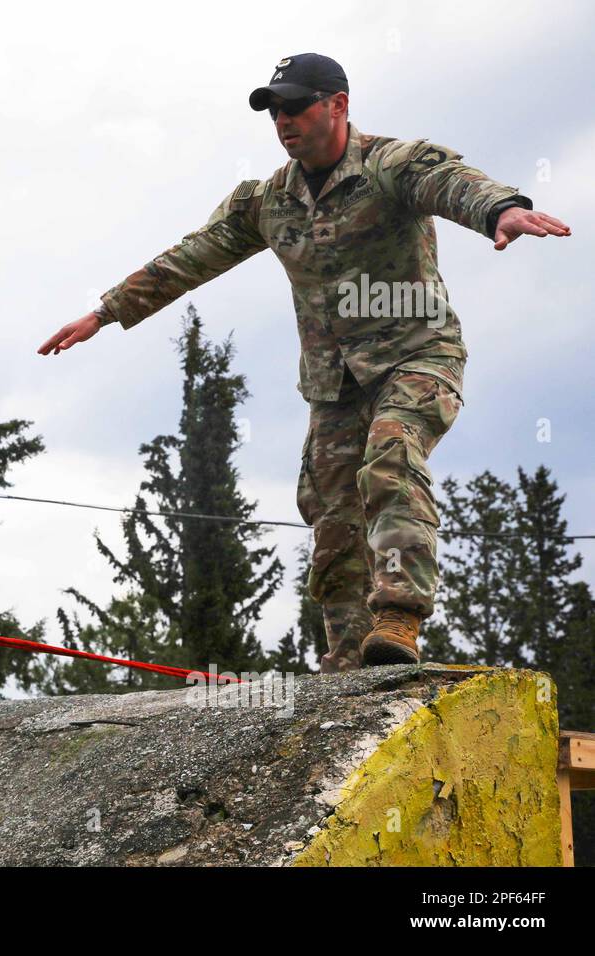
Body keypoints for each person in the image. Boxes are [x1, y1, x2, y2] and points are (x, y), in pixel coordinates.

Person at [37, 54, 571, 671]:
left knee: (391, 456)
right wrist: (105, 312)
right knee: (332, 515)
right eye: (274, 111)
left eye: (296, 107)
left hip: (417, 356)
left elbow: (449, 181)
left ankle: (399, 615)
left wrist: (499, 209)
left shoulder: (389, 166)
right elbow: (193, 256)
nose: (283, 121)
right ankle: (350, 661)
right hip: (334, 383)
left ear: (338, 105)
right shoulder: (269, 201)